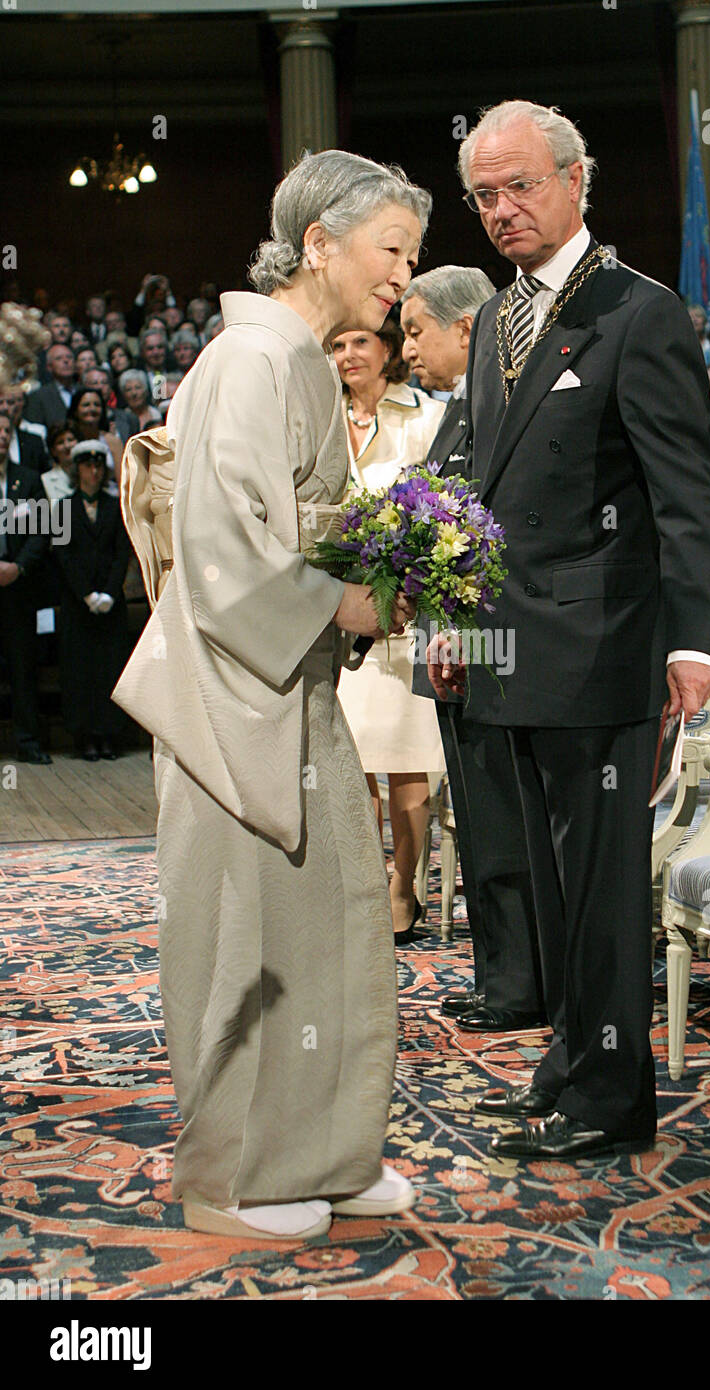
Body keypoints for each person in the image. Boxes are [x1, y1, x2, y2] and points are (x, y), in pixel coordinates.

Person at [113, 148, 428, 1240]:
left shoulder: (296, 358)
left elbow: (299, 528)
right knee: (241, 939)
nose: (404, 274)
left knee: (330, 926)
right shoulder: (248, 361)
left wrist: (393, 561)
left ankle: (325, 1154)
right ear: (321, 246)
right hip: (227, 700)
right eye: (393, 250)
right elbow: (218, 549)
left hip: (289, 690)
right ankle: (229, 1180)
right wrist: (348, 605)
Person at [432, 100, 710, 1159]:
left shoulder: (638, 311)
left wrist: (698, 642)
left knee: (601, 894)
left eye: (520, 186)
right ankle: (566, 1065)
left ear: (574, 182)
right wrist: (449, 621)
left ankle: (609, 1102)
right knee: (548, 885)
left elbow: (688, 493)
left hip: (602, 651)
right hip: (506, 651)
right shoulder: (494, 325)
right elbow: (468, 492)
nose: (503, 210)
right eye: (484, 196)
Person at [402, 265, 545, 1027]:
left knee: (501, 824)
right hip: (456, 649)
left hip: (488, 650)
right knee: (481, 826)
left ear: (466, 328)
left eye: (415, 330)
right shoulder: (463, 408)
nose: (407, 350)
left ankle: (520, 985)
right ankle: (500, 977)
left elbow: (497, 537)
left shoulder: (502, 410)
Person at [332, 315, 446, 944]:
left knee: (407, 767)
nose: (347, 355)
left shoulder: (423, 417)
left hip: (405, 622)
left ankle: (405, 888)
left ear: (387, 351)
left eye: (360, 343)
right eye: (338, 345)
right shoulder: (321, 419)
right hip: (341, 622)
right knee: (352, 768)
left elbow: (443, 511)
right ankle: (361, 892)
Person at [54, 440, 132, 761]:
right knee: (80, 671)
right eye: (87, 466)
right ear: (77, 470)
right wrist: (86, 593)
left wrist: (110, 594)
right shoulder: (60, 508)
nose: (94, 471)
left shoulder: (117, 506)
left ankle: (109, 734)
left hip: (110, 604)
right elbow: (63, 555)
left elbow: (122, 553)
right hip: (78, 604)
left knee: (110, 668)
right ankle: (84, 735)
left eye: (99, 466)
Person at [0, 411, 52, 764]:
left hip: (19, 588)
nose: (2, 435)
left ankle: (29, 742)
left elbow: (44, 529)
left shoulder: (28, 479)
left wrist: (18, 567)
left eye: (6, 430)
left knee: (23, 667)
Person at [66, 385, 123, 493]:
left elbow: (123, 481)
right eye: (86, 405)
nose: (92, 409)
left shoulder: (113, 441)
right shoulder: (68, 441)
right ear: (75, 410)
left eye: (97, 405)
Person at [22, 343, 75, 430]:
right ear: (49, 367)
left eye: (69, 357)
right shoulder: (38, 397)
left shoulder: (83, 391)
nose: (66, 361)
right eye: (59, 358)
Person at [41, 422, 77, 502]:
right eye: (60, 442)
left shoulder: (87, 475)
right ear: (53, 450)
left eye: (70, 440)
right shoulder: (45, 480)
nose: (67, 446)